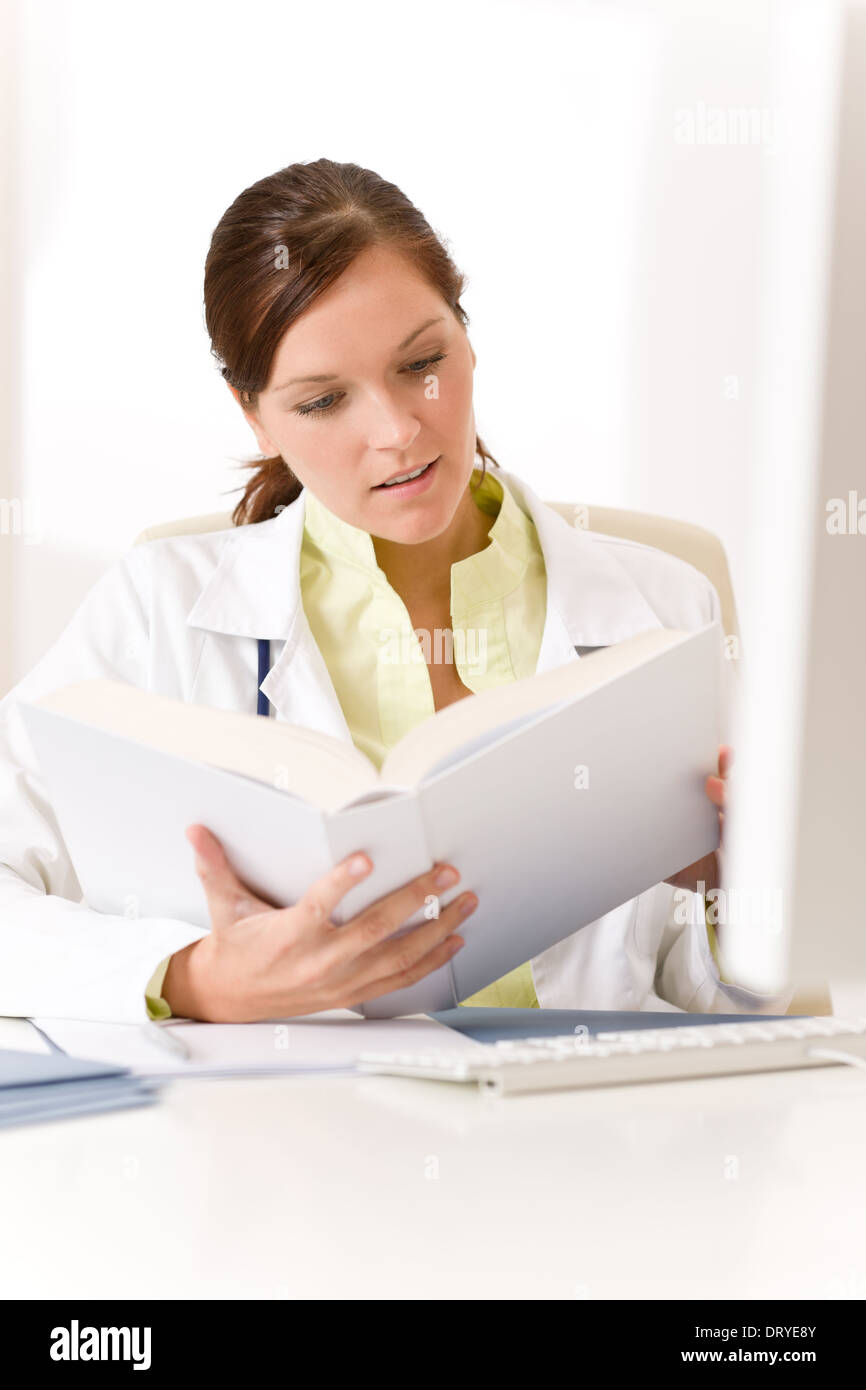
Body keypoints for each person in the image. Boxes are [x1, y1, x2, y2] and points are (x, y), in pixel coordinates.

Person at [0, 159, 793, 1025]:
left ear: (467, 335)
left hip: (595, 1131)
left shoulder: (665, 606)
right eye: (323, 401)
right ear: (254, 414)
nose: (396, 430)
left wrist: (742, 892)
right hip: (294, 1141)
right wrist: (194, 978)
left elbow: (740, 1003)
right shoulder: (158, 610)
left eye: (422, 361)